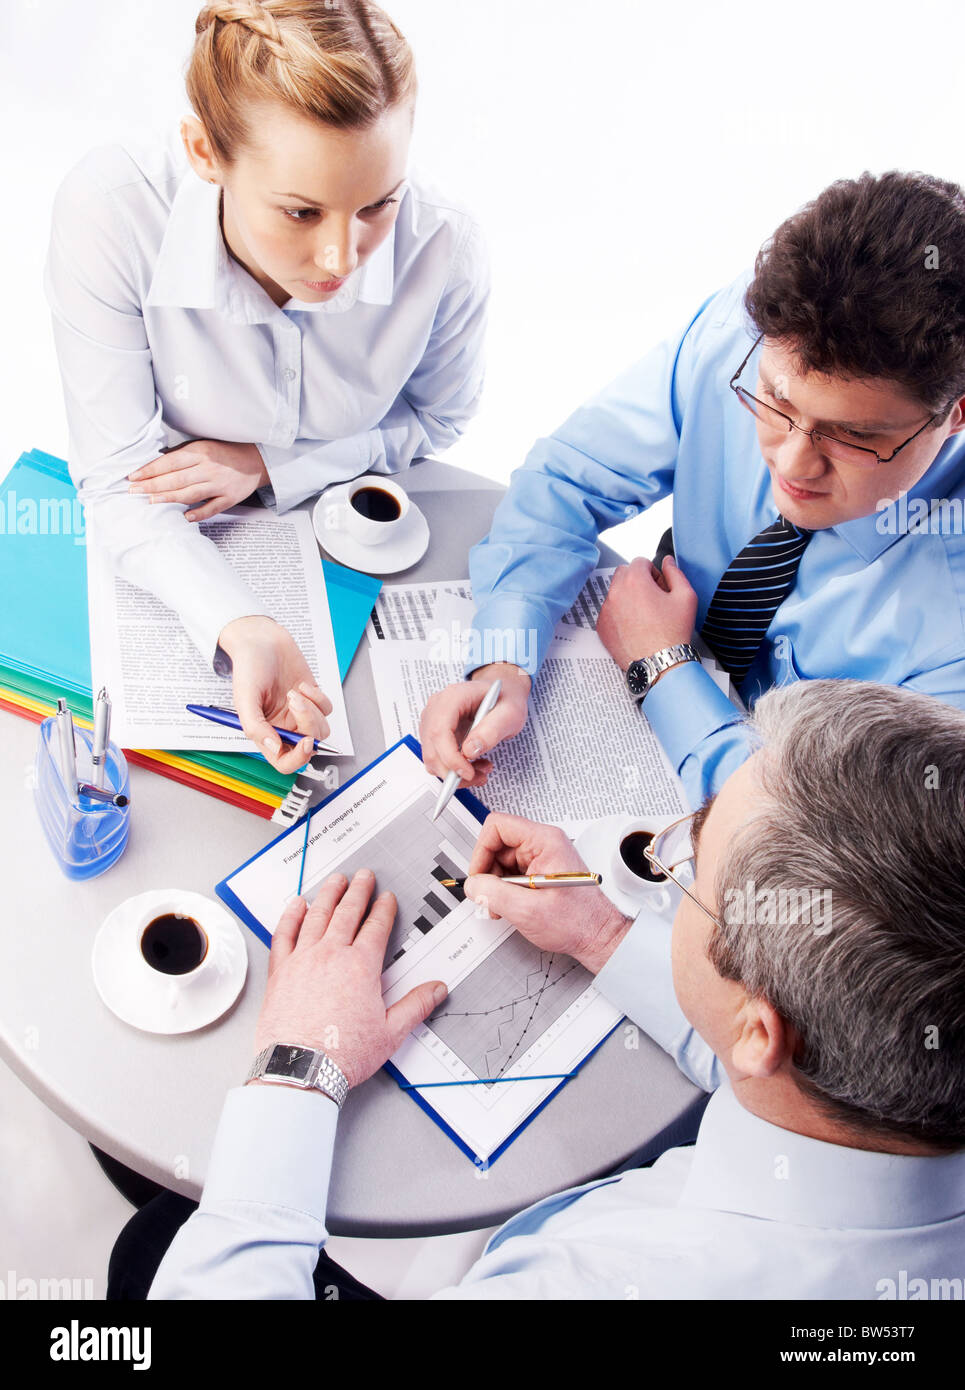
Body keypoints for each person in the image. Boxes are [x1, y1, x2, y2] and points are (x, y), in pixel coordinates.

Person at [107, 679, 965, 1299]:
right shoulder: (896, 1084)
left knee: (154, 1246)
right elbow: (819, 1063)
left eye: (691, 868)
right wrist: (600, 932)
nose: (669, 862)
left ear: (759, 1029)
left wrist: (299, 1064)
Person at [419, 170, 965, 807]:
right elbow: (569, 480)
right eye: (776, 400)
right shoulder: (756, 330)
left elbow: (838, 834)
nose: (792, 464)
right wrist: (503, 659)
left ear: (955, 414)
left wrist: (663, 669)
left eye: (852, 436)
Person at [45, 0, 489, 775]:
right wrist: (241, 626)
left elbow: (438, 416)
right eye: (299, 210)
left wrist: (270, 463)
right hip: (183, 540)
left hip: (365, 550)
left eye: (378, 203)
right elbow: (117, 479)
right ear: (203, 152)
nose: (341, 256)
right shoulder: (112, 215)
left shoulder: (444, 244)